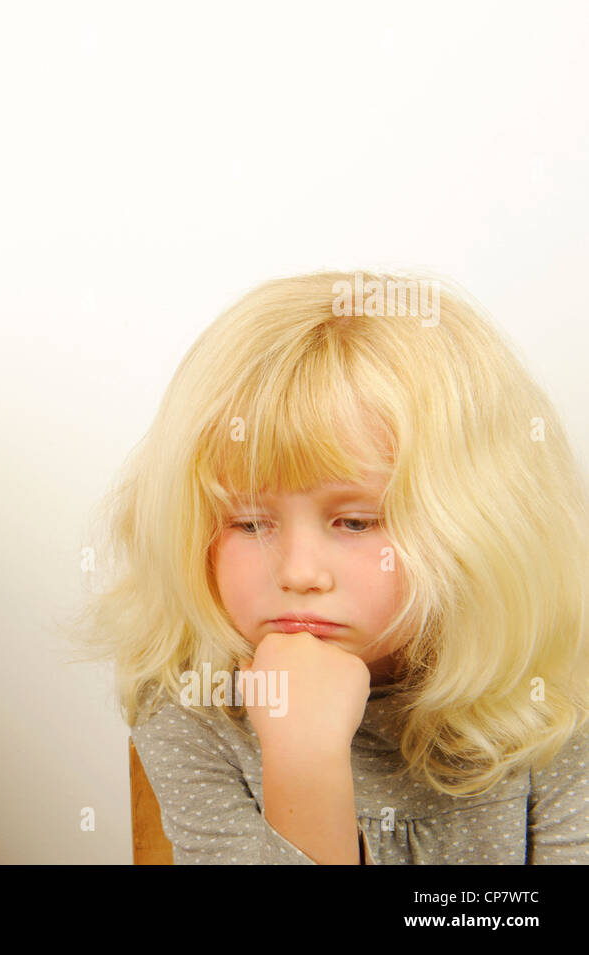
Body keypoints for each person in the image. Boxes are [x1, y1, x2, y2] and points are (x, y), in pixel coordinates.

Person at [84, 271, 589, 864]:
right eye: (249, 524)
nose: (299, 574)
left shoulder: (550, 698)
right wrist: (304, 764)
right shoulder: (193, 711)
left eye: (356, 523)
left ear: (480, 529)